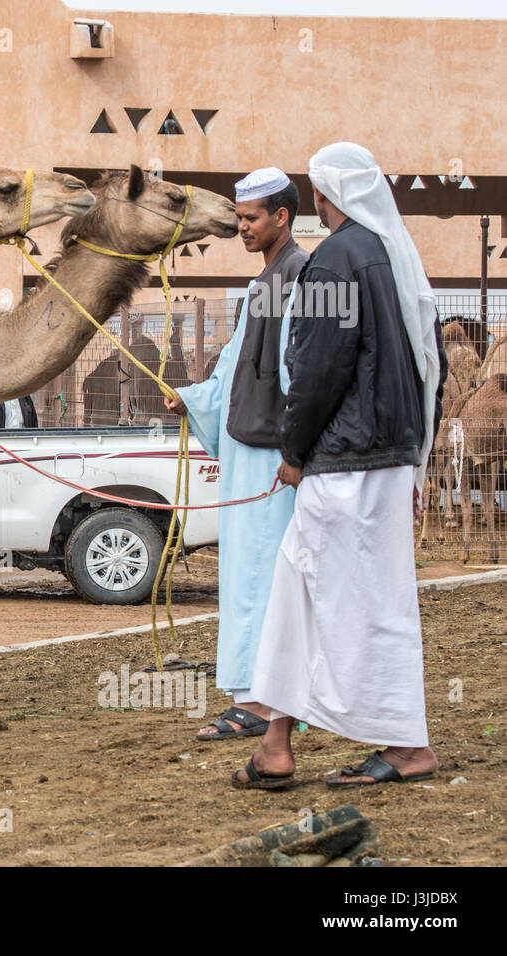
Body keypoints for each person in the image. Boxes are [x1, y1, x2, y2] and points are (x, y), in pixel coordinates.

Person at [234, 142, 447, 789]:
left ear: (324, 195)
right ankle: (275, 745)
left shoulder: (334, 262)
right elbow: (427, 362)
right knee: (301, 591)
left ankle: (407, 746)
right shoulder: (393, 258)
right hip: (382, 460)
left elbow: (320, 370)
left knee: (364, 603)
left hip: (347, 467)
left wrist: (294, 454)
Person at [165, 168, 307, 740]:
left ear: (283, 218)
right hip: (251, 449)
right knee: (248, 571)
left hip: (272, 453)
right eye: (240, 217)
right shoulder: (268, 280)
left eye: (251, 218)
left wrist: (297, 447)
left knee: (261, 574)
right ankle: (258, 694)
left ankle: (261, 702)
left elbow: (302, 370)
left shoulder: (298, 276)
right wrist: (195, 399)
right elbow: (234, 367)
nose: (241, 227)